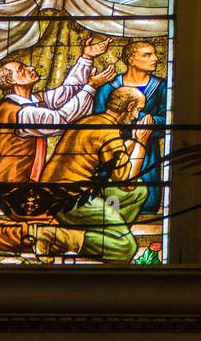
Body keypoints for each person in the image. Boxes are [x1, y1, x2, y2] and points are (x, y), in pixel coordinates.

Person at [0, 36, 115, 256]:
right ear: (12, 82)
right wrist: (91, 87)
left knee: (59, 232)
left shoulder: (31, 101)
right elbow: (62, 119)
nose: (30, 68)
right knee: (51, 233)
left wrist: (86, 58)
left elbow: (66, 91)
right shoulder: (19, 112)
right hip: (13, 185)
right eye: (21, 69)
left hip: (28, 183)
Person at [36, 87, 154, 263]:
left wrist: (135, 140)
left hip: (59, 192)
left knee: (139, 190)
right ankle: (57, 235)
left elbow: (114, 154)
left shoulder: (93, 121)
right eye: (138, 109)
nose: (137, 115)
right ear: (129, 107)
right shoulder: (109, 132)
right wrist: (142, 142)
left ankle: (100, 237)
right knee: (126, 250)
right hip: (71, 199)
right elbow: (125, 181)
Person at [94, 41, 167, 214]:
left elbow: (166, 120)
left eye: (154, 54)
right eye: (147, 55)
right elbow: (98, 121)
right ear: (131, 60)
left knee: (146, 202)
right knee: (112, 202)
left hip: (147, 152)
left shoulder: (161, 87)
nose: (155, 59)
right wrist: (141, 119)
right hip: (112, 149)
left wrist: (151, 123)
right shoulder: (108, 87)